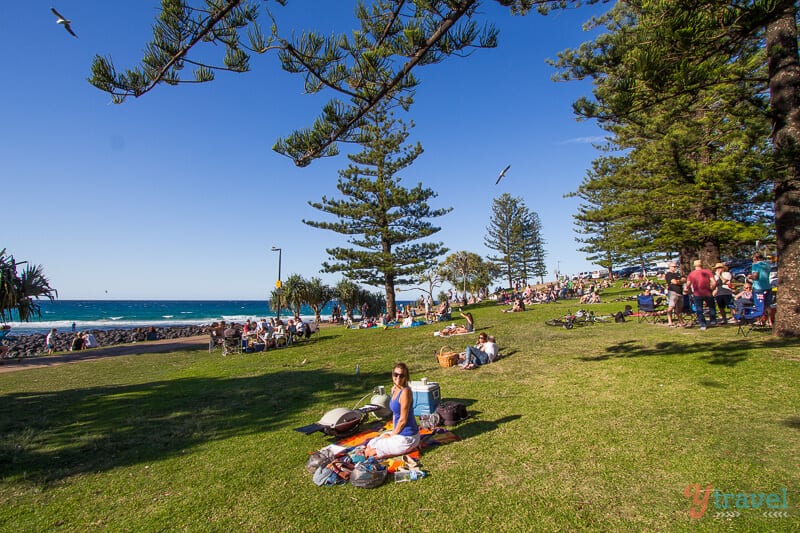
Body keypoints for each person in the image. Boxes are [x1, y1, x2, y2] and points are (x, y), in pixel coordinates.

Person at [364, 363, 420, 458]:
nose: (398, 377)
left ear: (406, 377)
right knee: (370, 444)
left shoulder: (405, 392)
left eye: (402, 375)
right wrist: (393, 432)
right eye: (396, 374)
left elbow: (403, 420)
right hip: (398, 433)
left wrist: (393, 435)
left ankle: (411, 446)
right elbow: (395, 413)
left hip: (407, 437)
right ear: (392, 375)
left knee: (370, 453)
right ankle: (403, 447)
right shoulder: (394, 389)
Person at [686, 259, 717, 331]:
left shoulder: (691, 274)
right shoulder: (708, 272)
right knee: (711, 306)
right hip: (708, 292)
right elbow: (714, 282)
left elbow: (687, 285)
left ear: (694, 266)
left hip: (697, 293)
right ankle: (713, 320)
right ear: (701, 265)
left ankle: (703, 324)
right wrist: (712, 289)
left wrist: (690, 291)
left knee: (699, 309)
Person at [749, 252, 774, 326]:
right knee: (767, 305)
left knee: (759, 305)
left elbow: (755, 276)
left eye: (753, 258)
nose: (753, 260)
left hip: (758, 288)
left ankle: (759, 321)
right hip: (767, 287)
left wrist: (749, 277)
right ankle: (769, 321)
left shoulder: (756, 265)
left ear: (756, 258)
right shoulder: (767, 265)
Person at [664, 262, 685, 327]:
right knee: (671, 307)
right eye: (673, 266)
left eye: (676, 266)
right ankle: (670, 321)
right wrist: (679, 281)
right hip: (673, 292)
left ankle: (681, 322)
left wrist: (679, 281)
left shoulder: (678, 274)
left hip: (680, 292)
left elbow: (684, 279)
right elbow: (674, 282)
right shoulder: (668, 274)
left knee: (679, 308)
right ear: (669, 267)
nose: (675, 268)